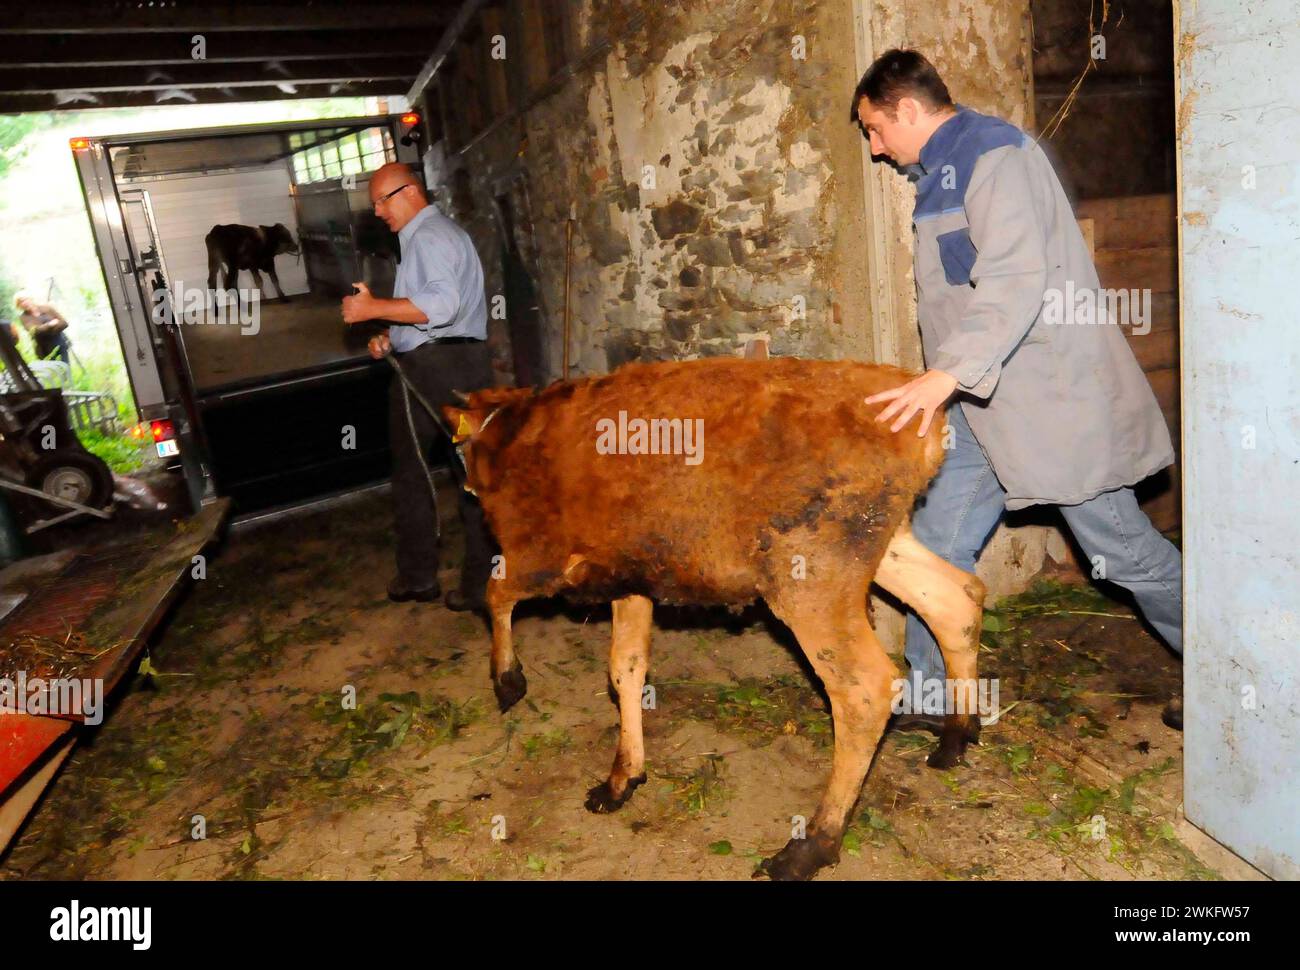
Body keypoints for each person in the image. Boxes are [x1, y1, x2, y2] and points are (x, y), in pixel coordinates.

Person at [850, 50, 1184, 730]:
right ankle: (933, 692)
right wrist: (952, 380)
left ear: (908, 109)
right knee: (938, 542)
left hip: (1048, 401)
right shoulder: (941, 171)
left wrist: (944, 373)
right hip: (981, 401)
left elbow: (1015, 278)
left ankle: (1240, 673)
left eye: (876, 130)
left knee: (1121, 551)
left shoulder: (994, 156)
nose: (877, 150)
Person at [341, 162, 496, 611]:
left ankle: (417, 576)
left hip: (432, 371)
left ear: (408, 193)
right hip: (468, 365)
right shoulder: (448, 233)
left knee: (410, 475)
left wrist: (371, 309)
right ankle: (479, 583)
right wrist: (394, 336)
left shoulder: (425, 237)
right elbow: (440, 314)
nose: (377, 213)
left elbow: (441, 306)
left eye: (381, 201)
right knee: (472, 475)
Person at [14, 293, 72, 365]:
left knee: (65, 367)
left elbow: (64, 323)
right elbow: (34, 331)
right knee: (52, 372)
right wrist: (50, 325)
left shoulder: (47, 308)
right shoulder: (23, 317)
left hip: (60, 343)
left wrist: (43, 330)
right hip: (44, 349)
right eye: (20, 303)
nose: (24, 303)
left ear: (30, 299)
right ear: (19, 306)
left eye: (24, 300)